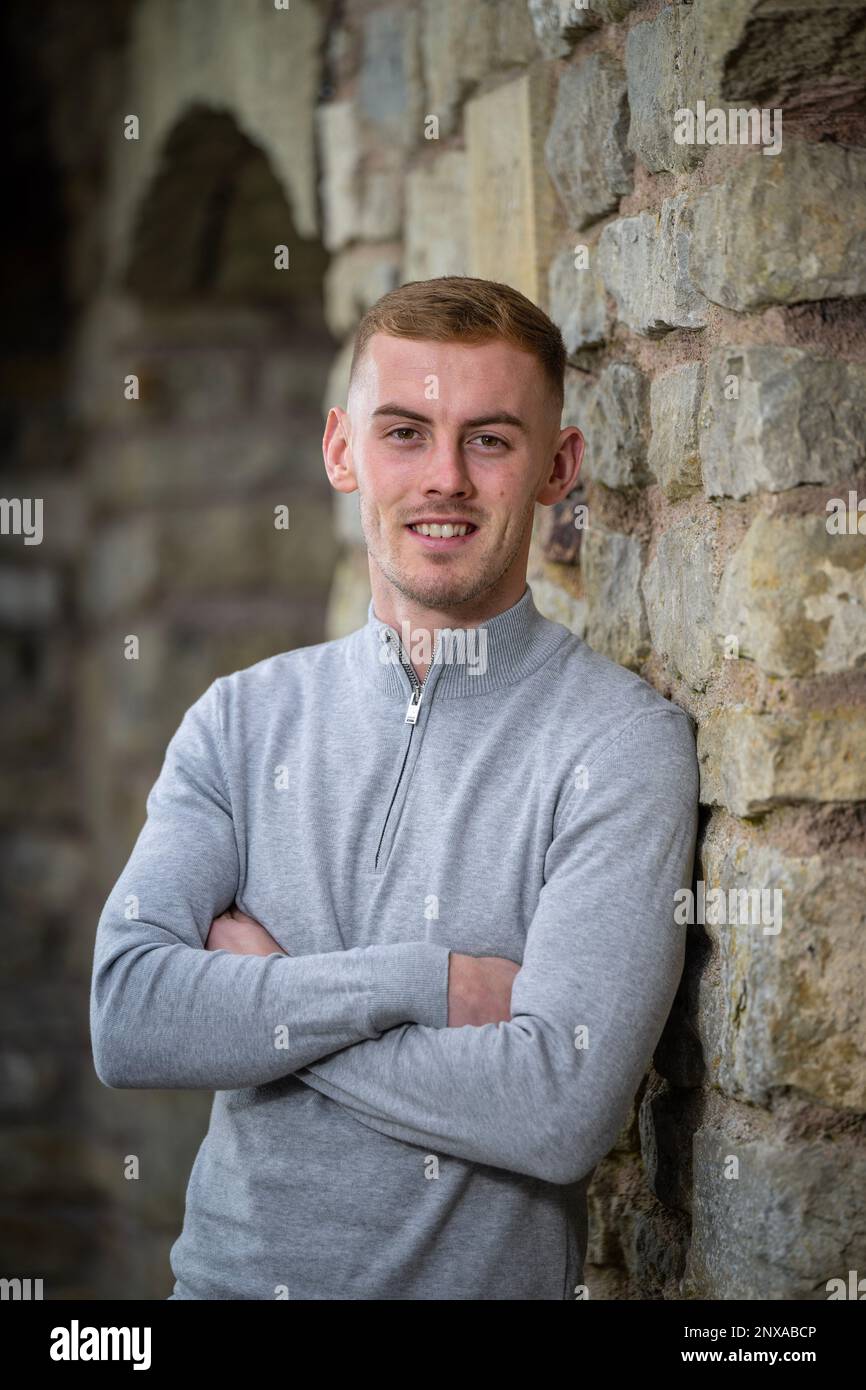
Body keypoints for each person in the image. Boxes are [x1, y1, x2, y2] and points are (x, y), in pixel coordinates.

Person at [90, 275, 699, 1300]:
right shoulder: (238, 721)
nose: (445, 479)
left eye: (490, 440)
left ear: (557, 467)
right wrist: (427, 984)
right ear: (341, 452)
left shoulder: (620, 744)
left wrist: (266, 1000)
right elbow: (129, 1016)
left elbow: (556, 1109)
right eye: (405, 433)